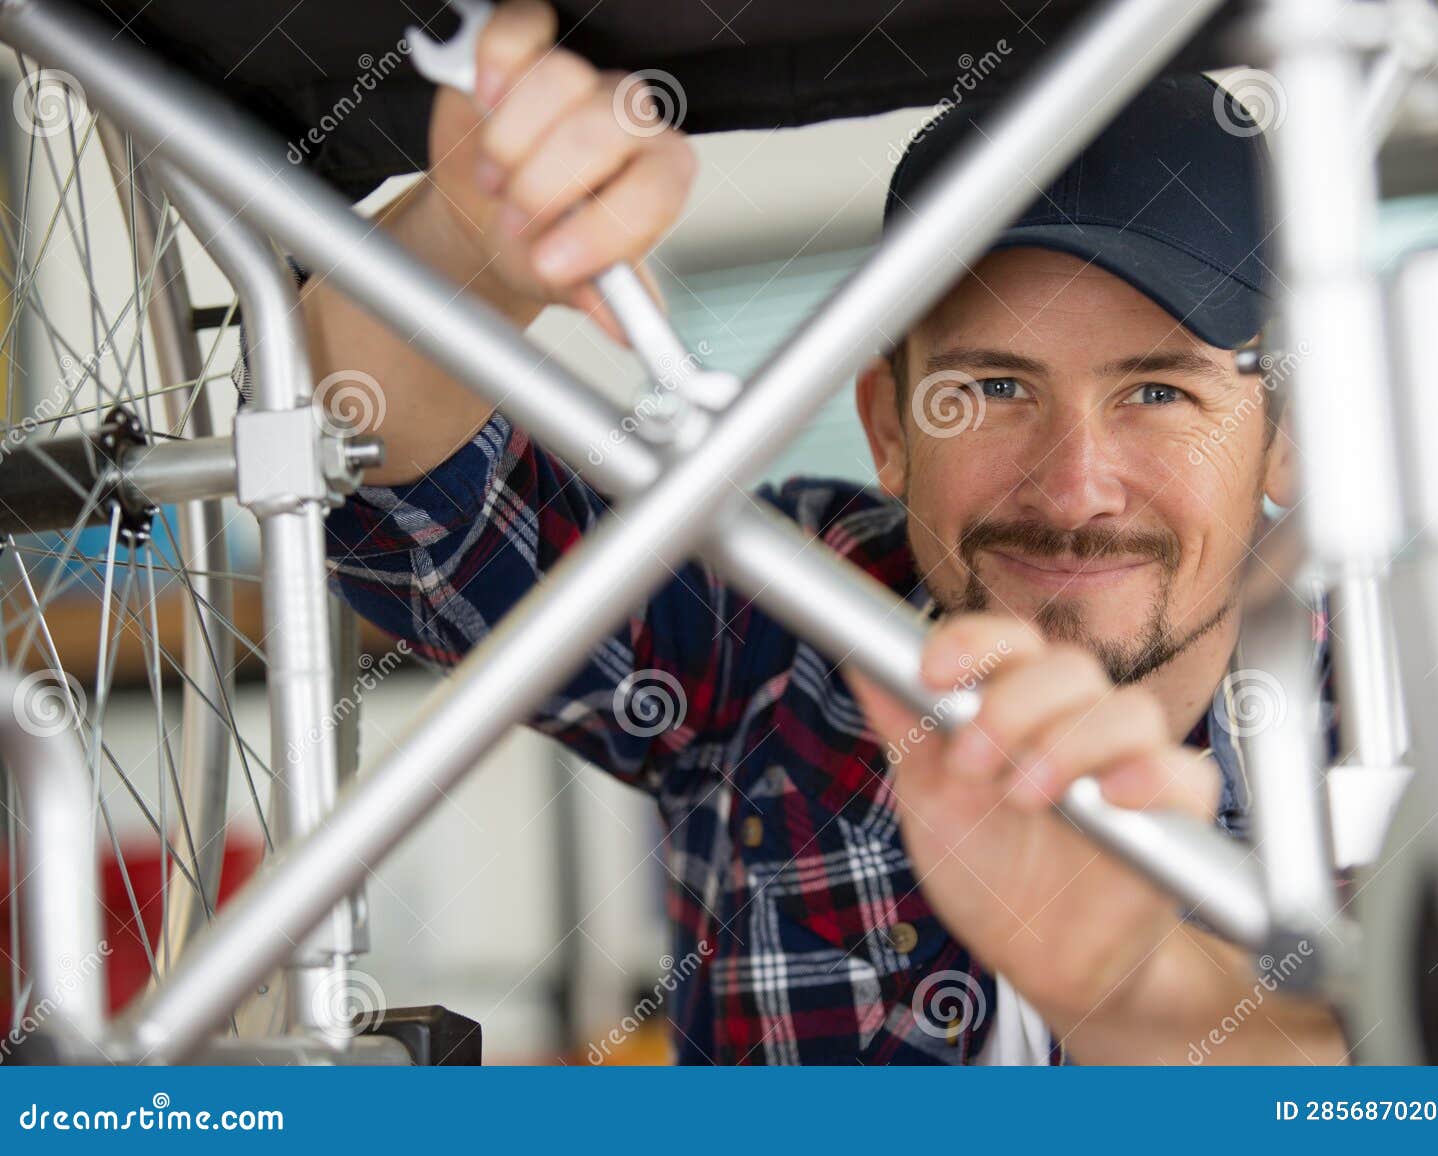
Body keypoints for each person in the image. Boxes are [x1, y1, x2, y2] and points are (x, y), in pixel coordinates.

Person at [296, 0, 1345, 1062]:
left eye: (1159, 394)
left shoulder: (1433, 722)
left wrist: (1128, 986)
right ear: (889, 428)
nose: (1074, 490)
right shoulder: (779, 610)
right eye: (992, 386)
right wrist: (469, 243)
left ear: (1290, 435)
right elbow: (384, 477)